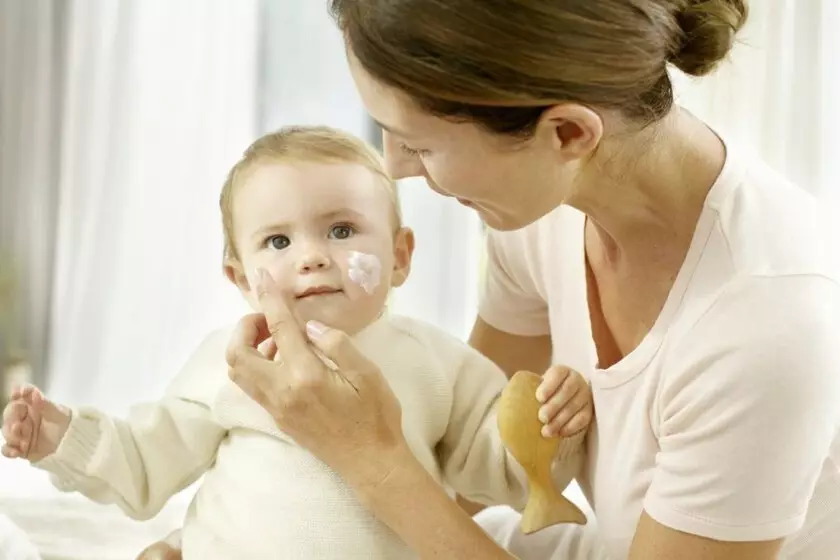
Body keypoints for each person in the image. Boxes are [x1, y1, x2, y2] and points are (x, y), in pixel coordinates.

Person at [125, 0, 840, 558]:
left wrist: (368, 458)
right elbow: (460, 465)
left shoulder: (762, 322)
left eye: (422, 143)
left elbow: (401, 474)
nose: (397, 167)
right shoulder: (539, 209)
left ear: (566, 134)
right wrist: (252, 537)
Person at [0, 126, 594, 559]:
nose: (311, 256)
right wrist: (64, 439)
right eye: (278, 242)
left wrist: (549, 426)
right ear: (240, 278)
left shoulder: (434, 361)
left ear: (400, 257)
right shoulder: (234, 360)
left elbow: (495, 471)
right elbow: (147, 458)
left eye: (341, 230)